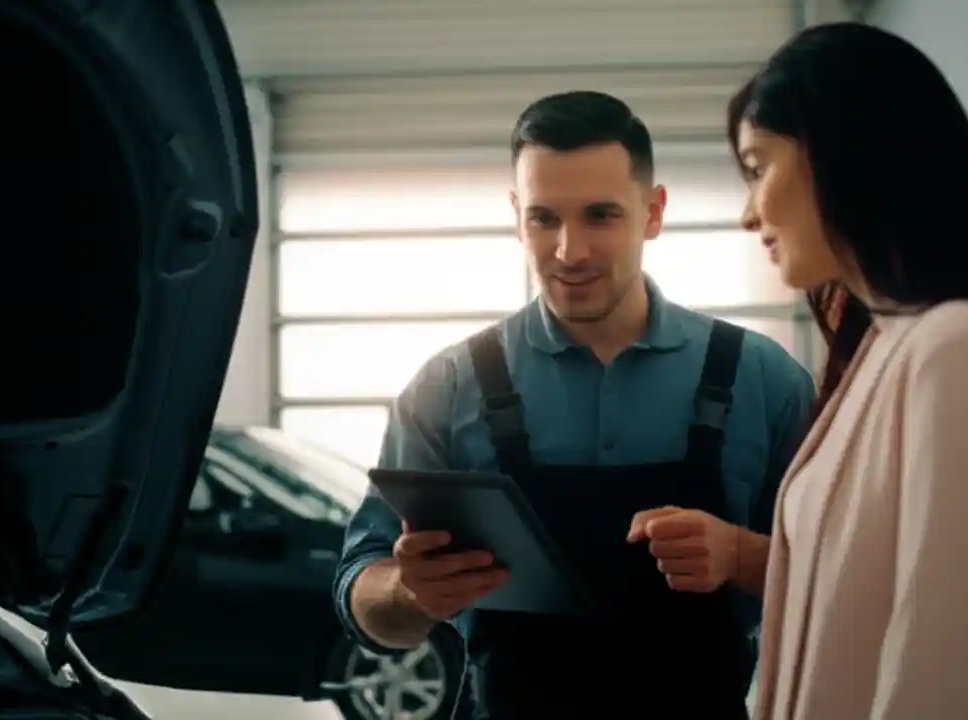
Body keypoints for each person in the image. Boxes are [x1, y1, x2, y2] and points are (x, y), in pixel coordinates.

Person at [333, 90, 815, 719]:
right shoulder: (446, 388)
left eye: (600, 216)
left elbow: (846, 583)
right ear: (516, 216)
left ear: (654, 212)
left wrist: (742, 557)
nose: (569, 252)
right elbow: (364, 600)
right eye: (544, 219)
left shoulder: (765, 381)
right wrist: (409, 592)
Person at [728, 23, 968, 720]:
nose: (749, 213)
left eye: (757, 166)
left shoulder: (962, 348)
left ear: (841, 153)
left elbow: (945, 679)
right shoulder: (887, 351)